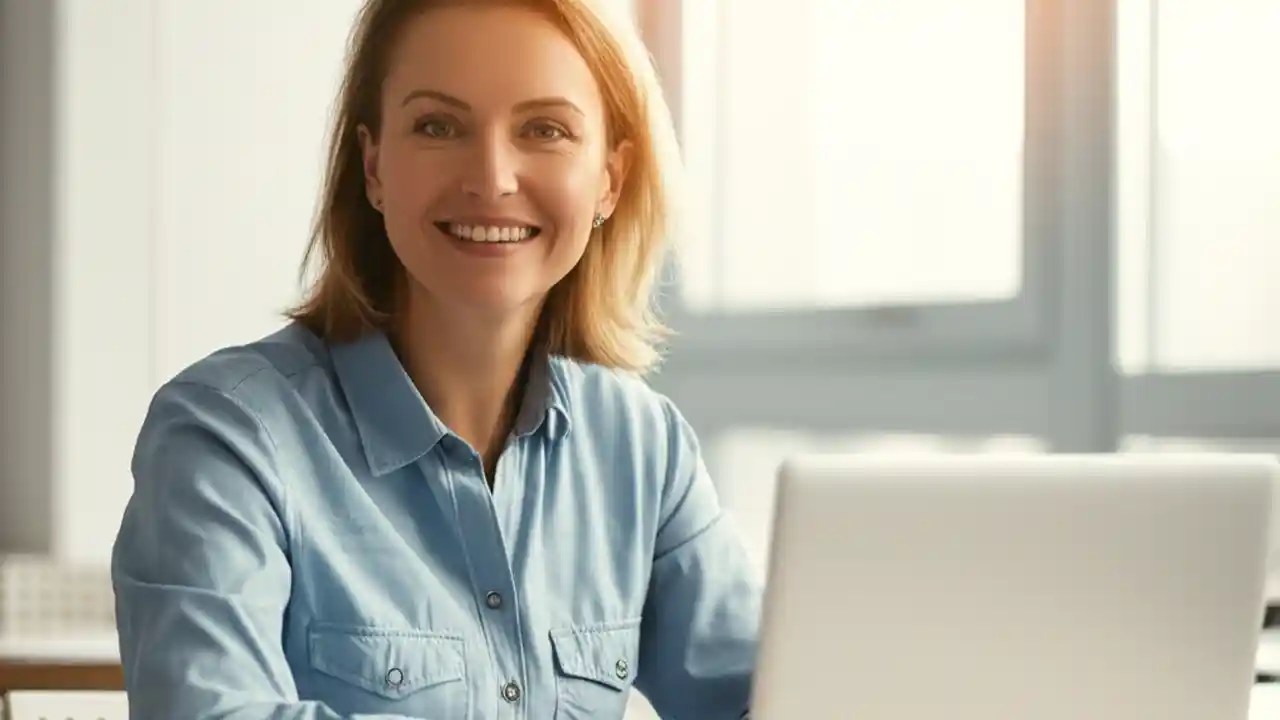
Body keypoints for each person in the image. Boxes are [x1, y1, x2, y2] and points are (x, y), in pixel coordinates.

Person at [110, 1, 761, 718]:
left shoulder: (643, 449)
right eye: (437, 126)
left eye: (544, 129)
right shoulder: (227, 438)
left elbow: (778, 698)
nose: (491, 177)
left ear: (609, 177)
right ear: (374, 165)